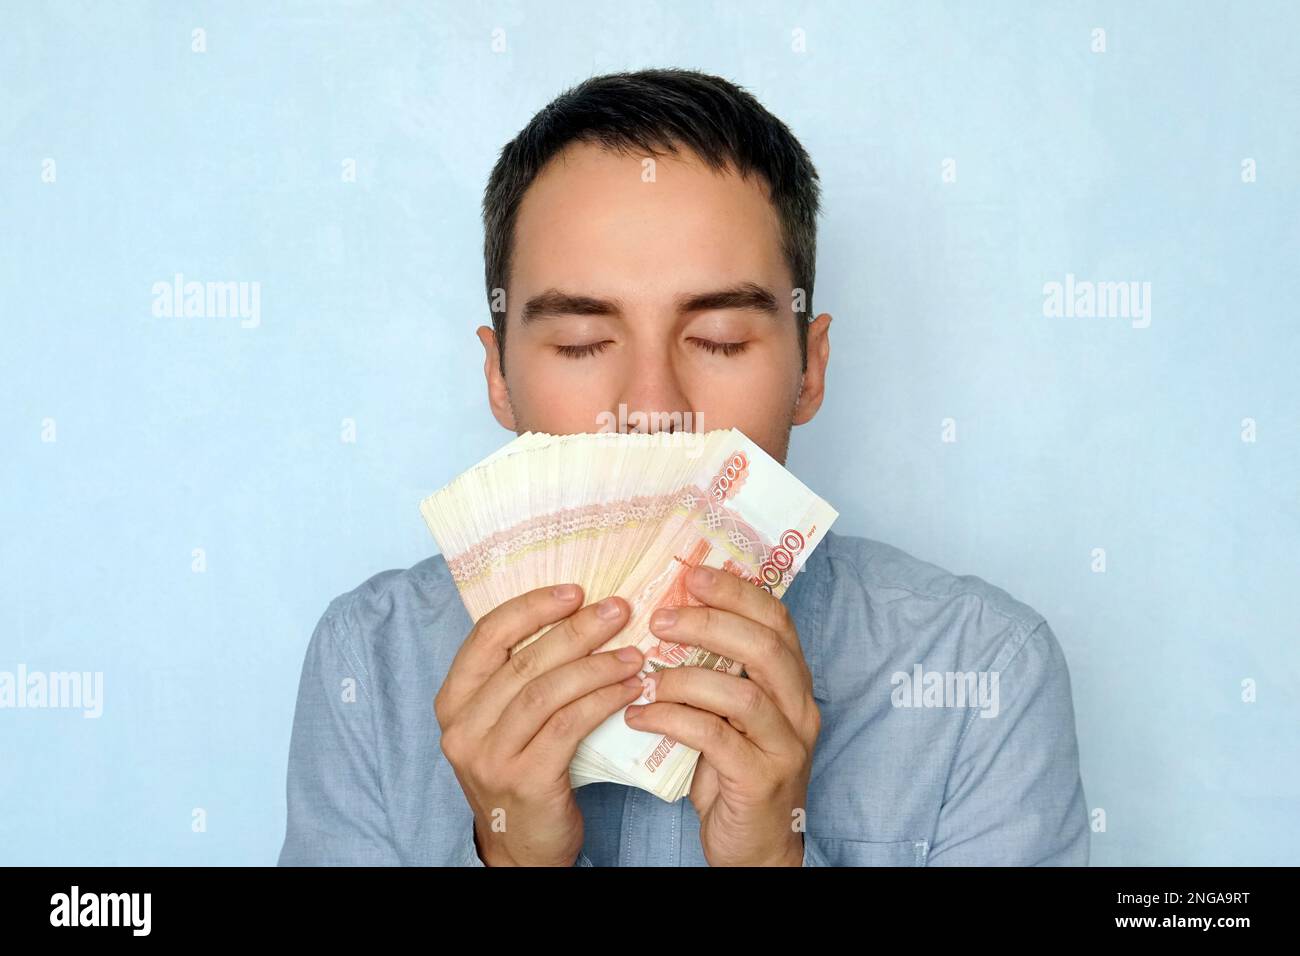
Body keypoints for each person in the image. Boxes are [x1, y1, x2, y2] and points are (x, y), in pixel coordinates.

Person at [277, 68, 1089, 866]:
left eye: (720, 341)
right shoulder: (370, 667)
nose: (651, 408)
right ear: (497, 375)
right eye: (581, 344)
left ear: (810, 369)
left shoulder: (982, 671)